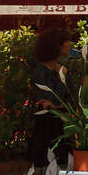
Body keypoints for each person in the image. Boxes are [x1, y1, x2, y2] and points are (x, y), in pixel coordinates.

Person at [27, 26, 72, 167]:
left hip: (63, 126)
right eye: (65, 41)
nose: (69, 43)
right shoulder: (41, 72)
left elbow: (72, 98)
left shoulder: (60, 69)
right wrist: (61, 77)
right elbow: (53, 100)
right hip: (48, 128)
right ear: (55, 46)